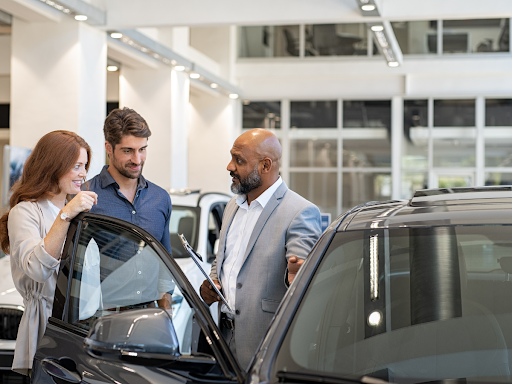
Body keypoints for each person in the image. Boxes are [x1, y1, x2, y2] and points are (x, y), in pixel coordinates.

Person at [200, 128, 322, 370]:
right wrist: (211, 284)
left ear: (265, 166)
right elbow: (223, 260)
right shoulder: (232, 207)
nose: (229, 166)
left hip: (265, 346)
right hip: (222, 340)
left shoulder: (299, 212)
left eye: (239, 160)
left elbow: (301, 280)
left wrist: (297, 276)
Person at [0, 131, 97, 376]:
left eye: (85, 166)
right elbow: (38, 269)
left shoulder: (80, 212)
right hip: (47, 329)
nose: (84, 174)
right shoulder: (25, 212)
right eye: (76, 166)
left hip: (83, 329)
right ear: (54, 166)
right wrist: (66, 213)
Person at [86, 107, 173, 308]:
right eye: (128, 151)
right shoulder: (85, 196)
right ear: (109, 148)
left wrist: (165, 310)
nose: (137, 160)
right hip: (102, 316)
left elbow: (165, 260)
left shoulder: (160, 198)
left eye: (142, 149)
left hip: (149, 314)